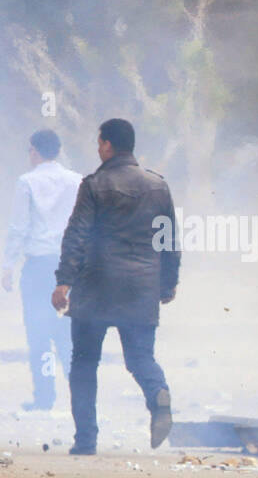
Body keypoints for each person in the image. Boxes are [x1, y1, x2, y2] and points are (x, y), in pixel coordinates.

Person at [53, 119, 179, 453]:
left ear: (108, 145)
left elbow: (77, 233)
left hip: (95, 287)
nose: (97, 148)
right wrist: (167, 284)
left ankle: (86, 440)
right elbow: (169, 241)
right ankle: (158, 394)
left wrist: (64, 280)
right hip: (141, 288)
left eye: (99, 143)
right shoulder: (158, 186)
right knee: (140, 358)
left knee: (83, 362)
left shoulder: (94, 185)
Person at [3, 130, 80, 410]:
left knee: (39, 333)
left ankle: (45, 397)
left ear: (34, 151)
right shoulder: (76, 180)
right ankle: (78, 397)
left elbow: (19, 227)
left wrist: (7, 265)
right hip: (70, 267)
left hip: (39, 267)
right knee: (68, 333)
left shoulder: (27, 182)